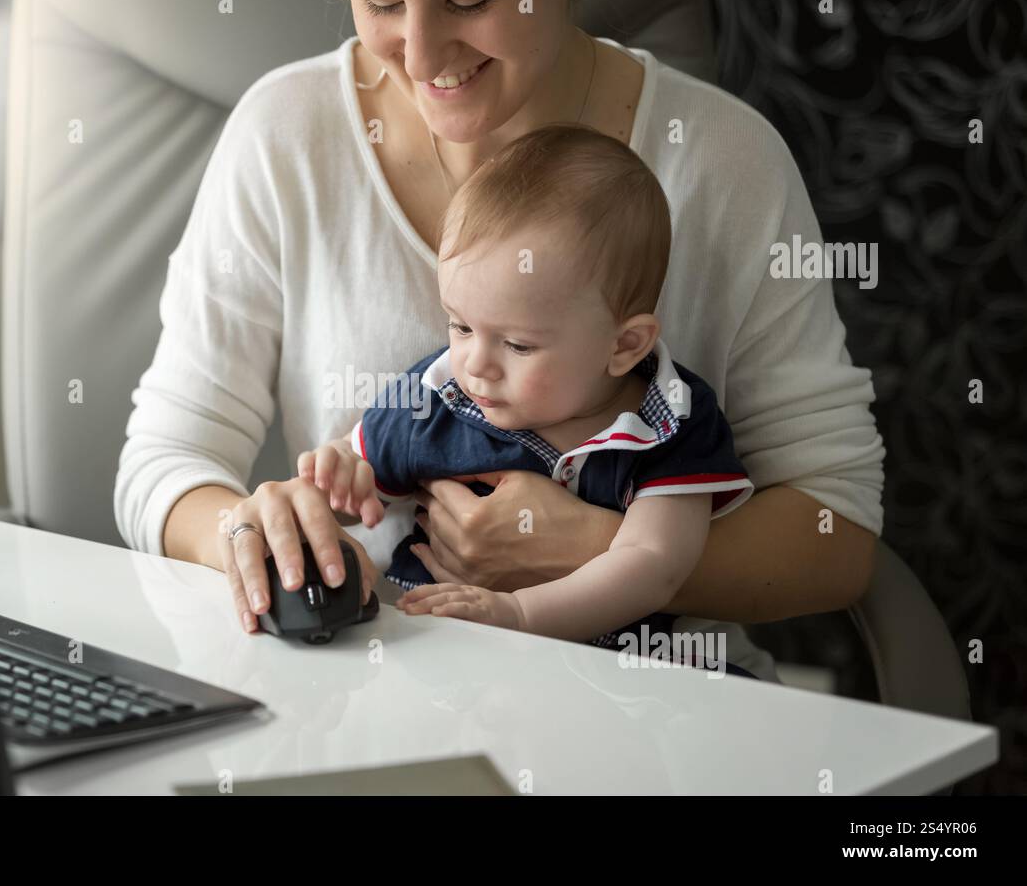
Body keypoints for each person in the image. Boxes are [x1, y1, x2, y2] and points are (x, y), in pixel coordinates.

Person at [114, 0, 885, 682]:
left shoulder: (725, 159)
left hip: (665, 704)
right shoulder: (284, 133)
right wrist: (260, 535)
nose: (419, 56)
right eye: (383, 2)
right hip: (400, 686)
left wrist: (602, 552)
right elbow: (166, 457)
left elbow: (837, 524)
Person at [299, 122, 757, 670]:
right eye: (461, 326)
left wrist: (518, 613)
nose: (476, 362)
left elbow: (655, 565)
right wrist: (340, 476)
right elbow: (359, 491)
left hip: (618, 683)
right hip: (439, 663)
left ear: (624, 345)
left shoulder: (671, 422)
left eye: (517, 344)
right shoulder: (437, 394)